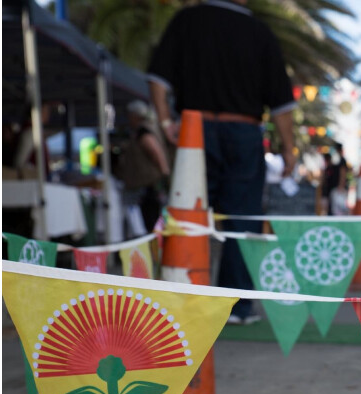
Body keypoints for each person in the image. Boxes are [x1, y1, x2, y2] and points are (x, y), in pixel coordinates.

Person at [147, 0, 298, 325]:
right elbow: (282, 104)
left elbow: (157, 80)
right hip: (243, 131)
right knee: (241, 222)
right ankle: (236, 307)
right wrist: (289, 148)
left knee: (188, 215)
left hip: (193, 129)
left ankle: (180, 300)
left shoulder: (187, 20)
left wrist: (164, 122)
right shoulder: (260, 32)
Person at [117, 100, 171, 234]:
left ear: (136, 115)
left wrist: (165, 175)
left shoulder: (144, 132)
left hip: (148, 186)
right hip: (146, 185)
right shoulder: (145, 130)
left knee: (151, 222)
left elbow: (155, 152)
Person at [322, 144, 350, 216]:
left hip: (338, 188)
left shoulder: (342, 160)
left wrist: (341, 185)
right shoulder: (337, 161)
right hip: (333, 188)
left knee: (338, 210)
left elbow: (343, 173)